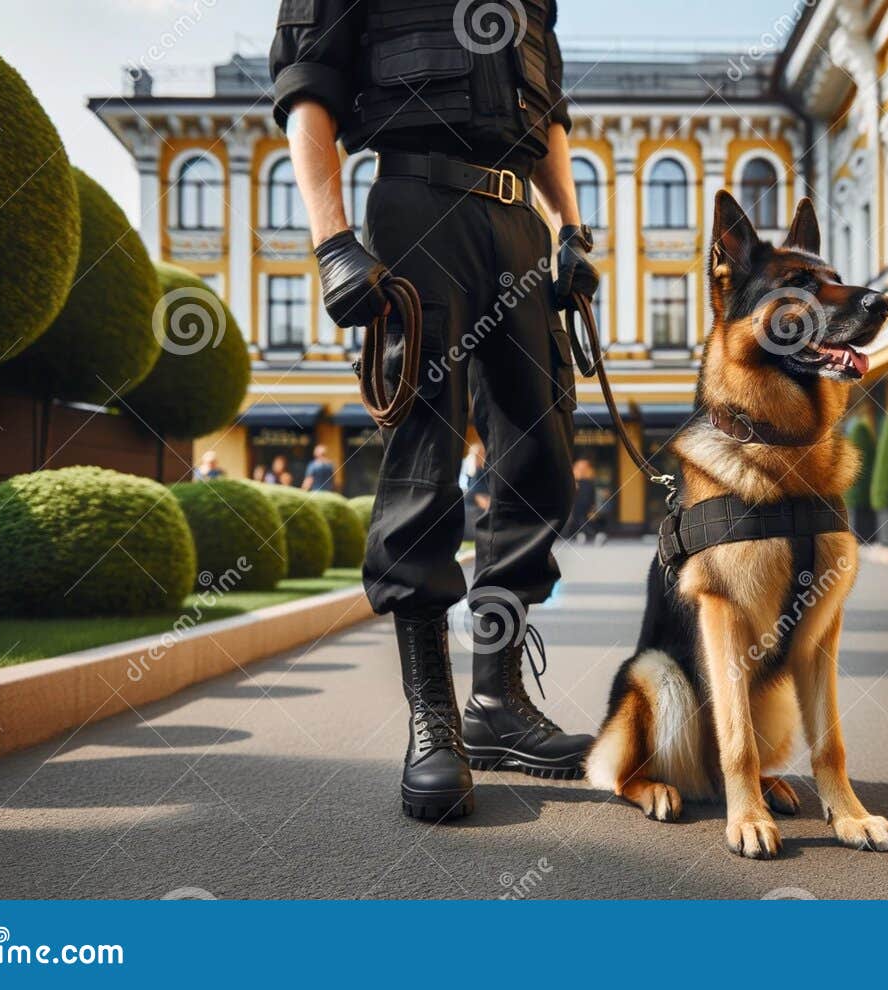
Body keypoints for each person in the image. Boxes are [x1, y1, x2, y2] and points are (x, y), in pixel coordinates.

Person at [272, 0, 601, 820]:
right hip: (416, 204)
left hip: (519, 222)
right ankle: (434, 720)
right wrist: (333, 242)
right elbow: (308, 91)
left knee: (540, 461)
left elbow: (550, 117)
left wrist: (572, 231)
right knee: (424, 463)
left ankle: (496, 705)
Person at [567, 459, 608, 545]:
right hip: (583, 504)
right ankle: (584, 535)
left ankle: (595, 535)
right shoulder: (588, 481)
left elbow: (587, 495)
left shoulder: (583, 481)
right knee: (583, 520)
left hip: (581, 504)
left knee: (581, 520)